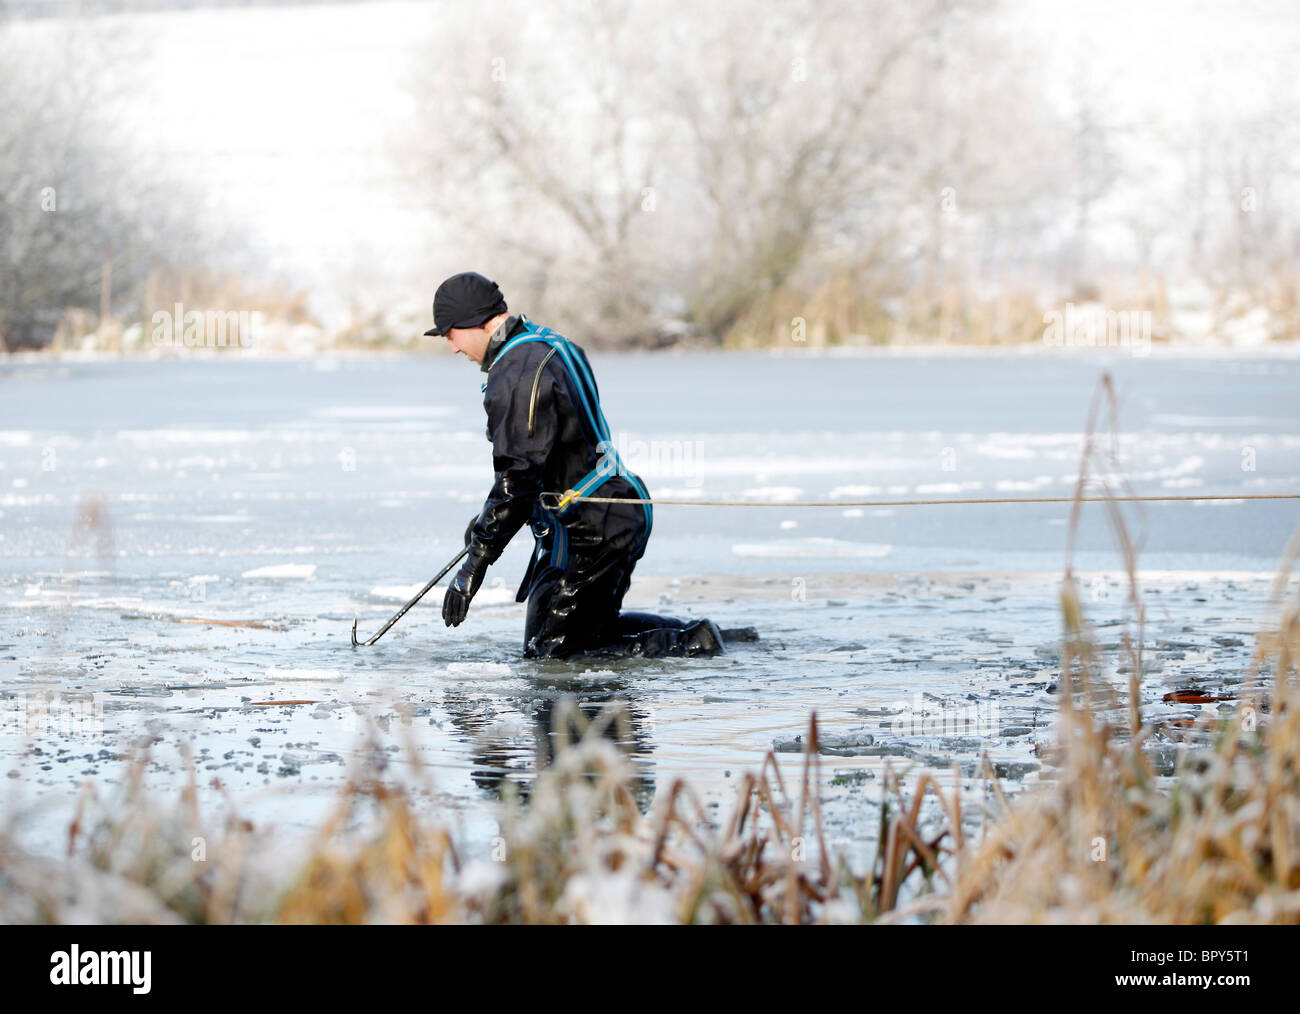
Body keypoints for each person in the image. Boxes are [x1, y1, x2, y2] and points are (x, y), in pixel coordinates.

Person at [427, 271, 730, 659]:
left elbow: (518, 477)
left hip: (593, 527)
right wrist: (488, 523)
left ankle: (693, 642)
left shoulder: (517, 371)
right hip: (606, 510)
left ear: (475, 321)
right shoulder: (547, 344)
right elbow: (548, 457)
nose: (452, 347)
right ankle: (700, 634)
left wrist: (475, 565)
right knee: (556, 638)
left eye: (450, 333)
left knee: (555, 656)